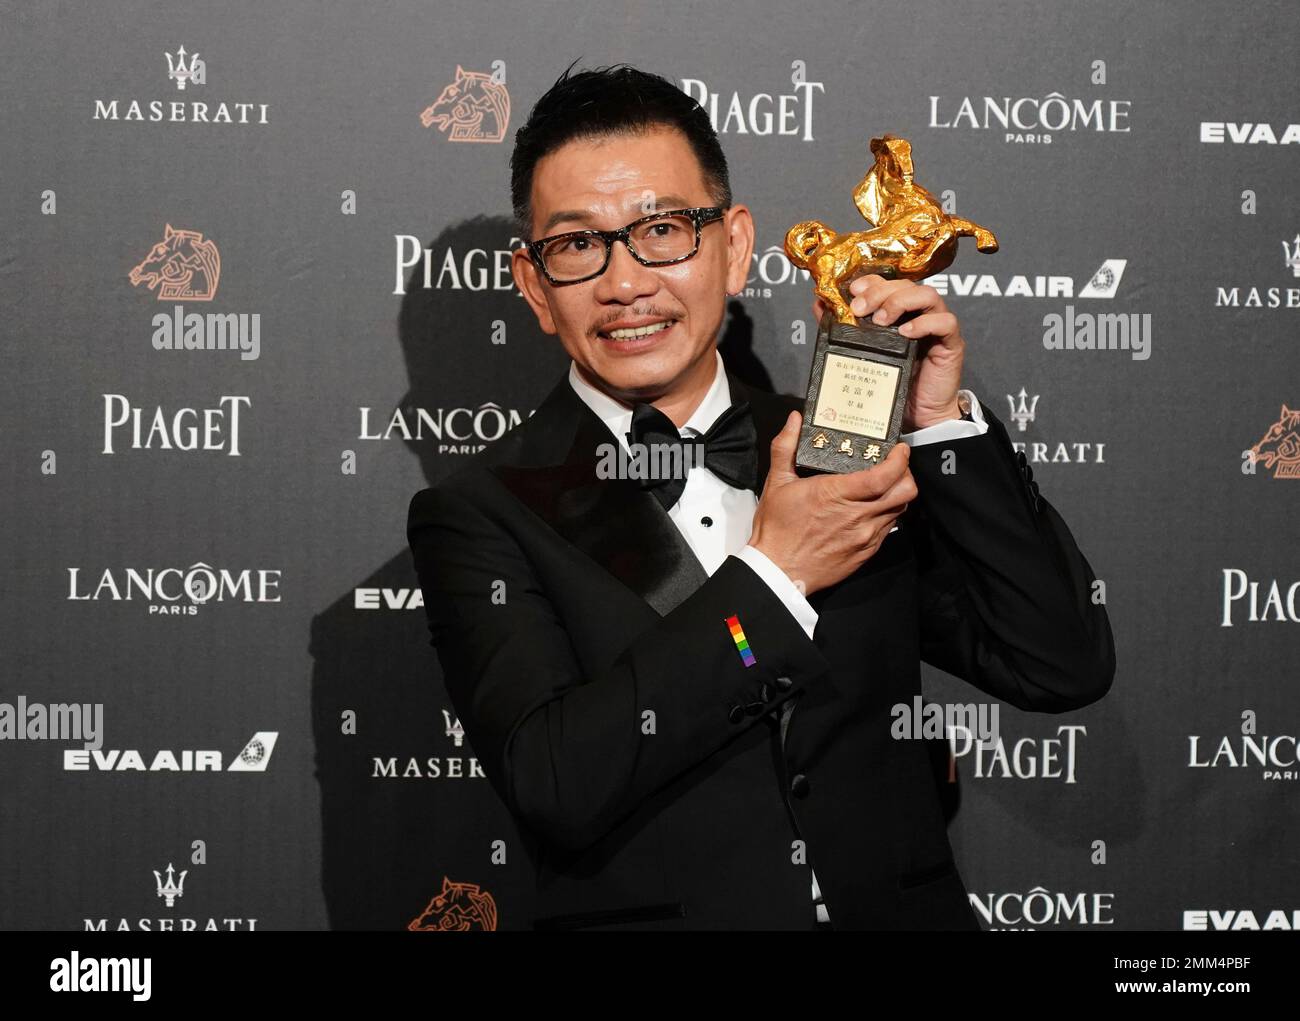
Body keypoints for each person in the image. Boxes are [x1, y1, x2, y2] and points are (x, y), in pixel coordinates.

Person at [406, 63, 1115, 930]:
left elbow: (1059, 661)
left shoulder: (843, 444)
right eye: (578, 244)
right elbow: (554, 782)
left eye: (662, 229)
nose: (625, 282)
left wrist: (939, 428)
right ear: (534, 287)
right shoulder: (482, 512)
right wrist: (776, 574)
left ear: (735, 246)